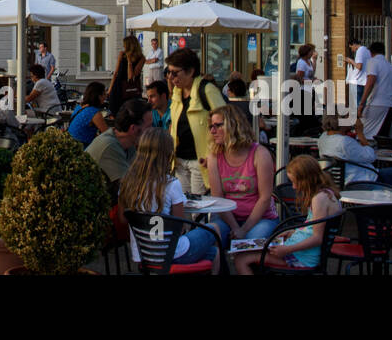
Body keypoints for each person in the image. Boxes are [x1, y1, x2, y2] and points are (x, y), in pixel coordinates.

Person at [120, 127, 220, 271]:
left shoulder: (126, 182)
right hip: (171, 253)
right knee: (214, 228)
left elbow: (124, 219)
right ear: (167, 154)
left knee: (213, 253)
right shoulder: (171, 184)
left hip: (143, 255)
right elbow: (178, 228)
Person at [235, 154, 341, 274]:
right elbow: (311, 228)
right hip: (301, 253)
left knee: (241, 259)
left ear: (306, 179)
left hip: (302, 258)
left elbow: (317, 238)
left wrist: (287, 249)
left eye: (295, 182)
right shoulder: (325, 194)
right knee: (249, 253)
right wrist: (292, 232)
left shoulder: (319, 199)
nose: (294, 187)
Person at [204, 104, 279, 245]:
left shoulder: (260, 154)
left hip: (261, 218)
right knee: (209, 237)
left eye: (218, 125)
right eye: (211, 127)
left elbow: (265, 198)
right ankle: (222, 267)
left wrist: (243, 229)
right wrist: (235, 227)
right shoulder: (214, 156)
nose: (213, 131)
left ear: (233, 126)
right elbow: (218, 198)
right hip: (227, 218)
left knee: (249, 243)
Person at [165, 47, 226, 194]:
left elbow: (226, 121)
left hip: (200, 161)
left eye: (175, 73)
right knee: (183, 207)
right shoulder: (177, 93)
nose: (171, 77)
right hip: (179, 160)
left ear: (190, 71)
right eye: (168, 72)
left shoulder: (206, 90)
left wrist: (215, 156)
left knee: (198, 208)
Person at [317, 114, 392, 194]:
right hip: (363, 180)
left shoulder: (323, 138)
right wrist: (360, 133)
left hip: (345, 180)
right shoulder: (344, 142)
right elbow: (371, 157)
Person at [86, 98, 152, 186]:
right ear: (133, 129)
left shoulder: (129, 143)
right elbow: (130, 187)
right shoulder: (110, 146)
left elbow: (141, 172)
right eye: (149, 127)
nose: (152, 131)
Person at [357, 41, 392, 140]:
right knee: (385, 136)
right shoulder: (391, 67)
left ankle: (367, 153)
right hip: (390, 105)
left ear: (371, 52)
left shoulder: (373, 62)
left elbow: (370, 82)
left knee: (365, 134)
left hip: (377, 104)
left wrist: (362, 103)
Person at [107, 35, 146, 114]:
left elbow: (131, 76)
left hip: (131, 89)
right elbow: (115, 73)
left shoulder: (141, 58)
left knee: (129, 113)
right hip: (118, 87)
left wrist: (129, 62)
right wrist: (110, 90)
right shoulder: (122, 54)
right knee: (115, 112)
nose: (123, 46)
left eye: (124, 44)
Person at [67, 82, 110, 146]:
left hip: (71, 145)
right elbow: (107, 134)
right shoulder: (94, 113)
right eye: (104, 94)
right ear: (99, 96)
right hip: (83, 149)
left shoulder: (79, 107)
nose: (106, 96)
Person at [345, 37, 370, 113]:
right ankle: (362, 121)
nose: (352, 49)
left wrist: (351, 61)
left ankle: (358, 121)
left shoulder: (360, 51)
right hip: (364, 81)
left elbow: (359, 66)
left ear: (354, 44)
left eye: (351, 47)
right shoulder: (367, 50)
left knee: (357, 105)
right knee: (363, 103)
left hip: (357, 81)